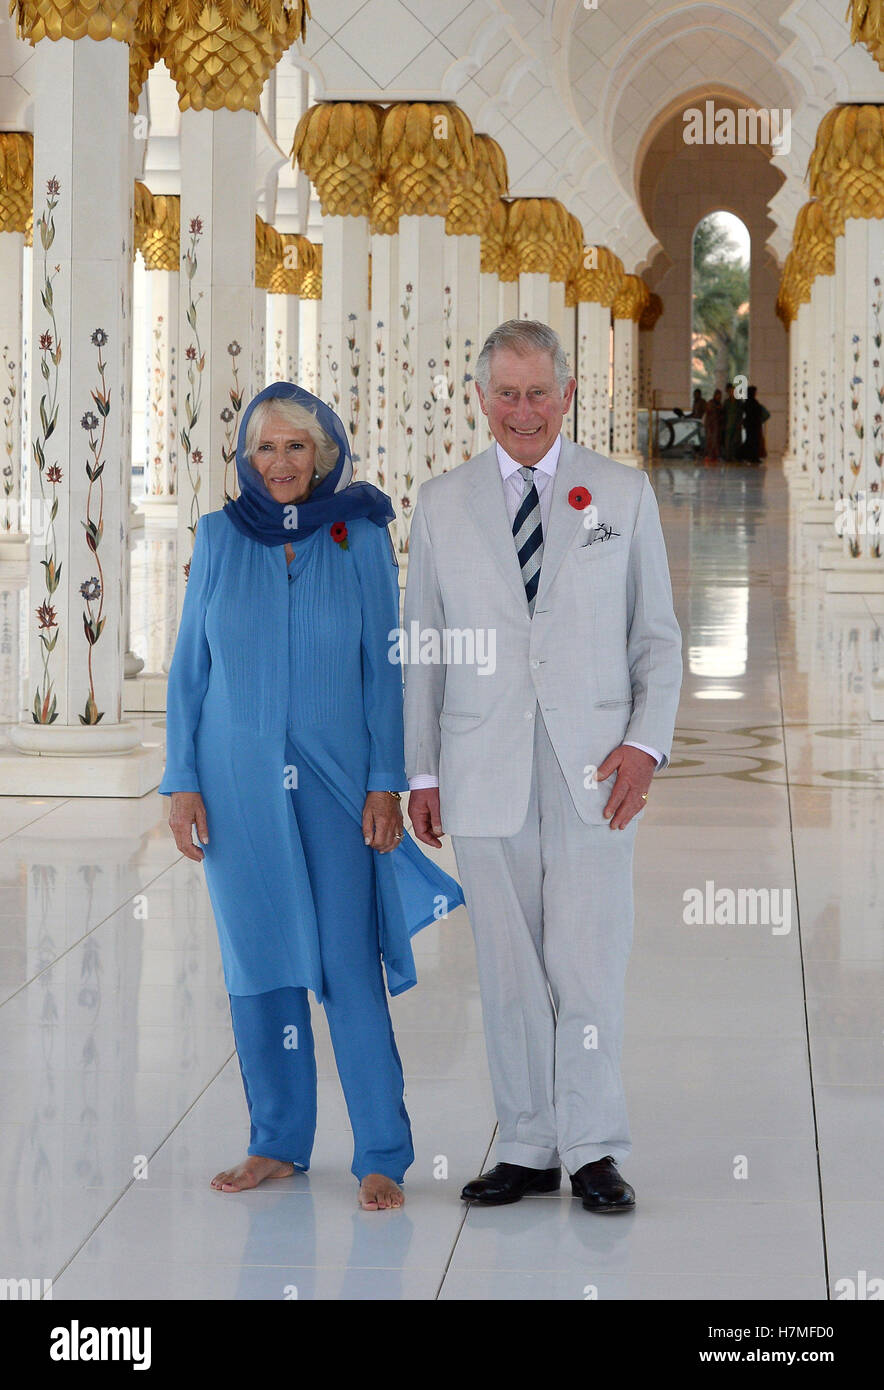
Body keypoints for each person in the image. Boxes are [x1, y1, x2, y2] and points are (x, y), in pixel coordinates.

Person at [158, 381, 464, 1210]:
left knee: (345, 966)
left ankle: (381, 1152)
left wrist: (384, 782)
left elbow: (384, 667)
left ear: (322, 454)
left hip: (336, 786)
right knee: (257, 964)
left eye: (298, 447)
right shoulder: (220, 538)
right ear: (246, 459)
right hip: (235, 787)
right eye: (267, 448)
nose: (282, 462)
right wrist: (180, 778)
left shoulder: (358, 535)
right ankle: (277, 1142)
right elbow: (191, 670)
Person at [403, 321, 682, 1212]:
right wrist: (421, 772)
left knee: (588, 961)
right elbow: (424, 650)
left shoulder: (621, 493)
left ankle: (594, 1145)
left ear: (567, 395)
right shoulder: (442, 504)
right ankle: (527, 1142)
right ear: (481, 398)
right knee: (510, 966)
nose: (523, 411)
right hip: (480, 765)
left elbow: (658, 638)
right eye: (507, 393)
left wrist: (646, 743)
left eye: (538, 392)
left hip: (592, 767)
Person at [741, 385, 770, 464]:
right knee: (753, 441)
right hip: (754, 425)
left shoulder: (748, 402)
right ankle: (752, 457)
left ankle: (751, 457)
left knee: (751, 440)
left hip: (751, 425)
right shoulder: (753, 402)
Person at [722, 381, 743, 462]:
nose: (732, 393)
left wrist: (740, 423)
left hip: (736, 424)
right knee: (727, 441)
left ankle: (735, 456)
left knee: (736, 441)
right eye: (730, 391)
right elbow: (723, 413)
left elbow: (740, 414)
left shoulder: (739, 402)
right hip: (728, 425)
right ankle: (728, 456)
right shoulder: (726, 402)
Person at [703, 387, 723, 463]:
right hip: (710, 426)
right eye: (718, 395)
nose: (719, 397)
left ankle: (715, 456)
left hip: (717, 426)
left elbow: (721, 415)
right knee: (710, 441)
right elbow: (708, 414)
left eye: (720, 396)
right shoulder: (710, 403)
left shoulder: (720, 404)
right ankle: (709, 456)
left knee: (716, 441)